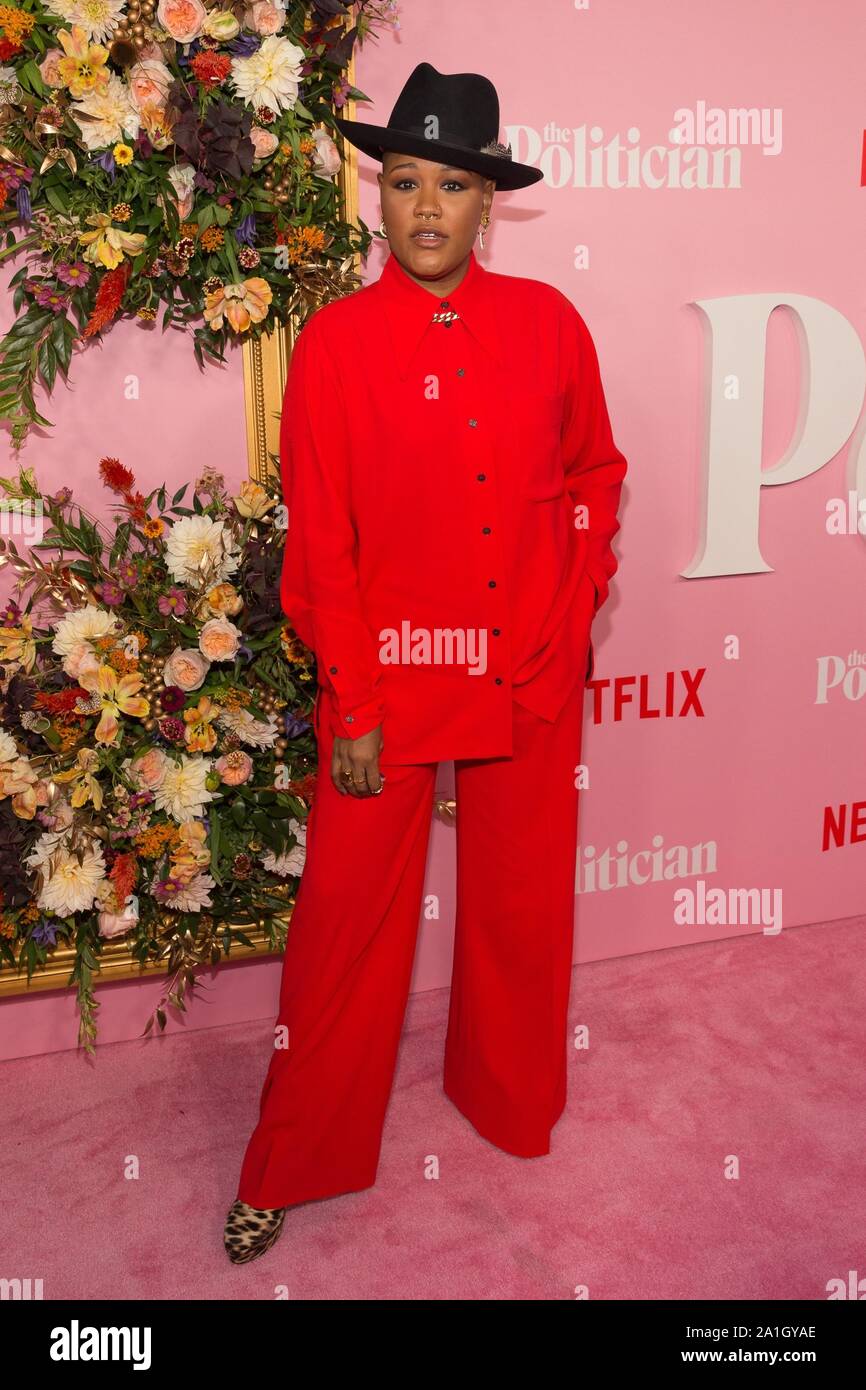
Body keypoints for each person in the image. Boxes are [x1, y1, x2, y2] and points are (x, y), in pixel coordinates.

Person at [223, 62, 627, 1264]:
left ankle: (507, 1104)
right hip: (385, 690)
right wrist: (352, 696)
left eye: (451, 184)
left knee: (519, 913)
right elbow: (322, 544)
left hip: (529, 676)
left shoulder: (551, 323)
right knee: (343, 934)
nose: (426, 208)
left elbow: (595, 478)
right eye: (403, 181)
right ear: (378, 197)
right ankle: (293, 1157)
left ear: (485, 202)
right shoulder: (336, 346)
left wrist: (576, 591)